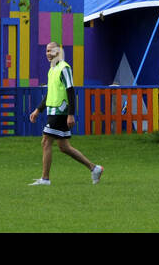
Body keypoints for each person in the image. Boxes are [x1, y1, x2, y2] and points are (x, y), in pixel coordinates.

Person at [27, 41, 102, 186]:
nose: (48, 54)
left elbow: (71, 91)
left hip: (61, 112)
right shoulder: (52, 70)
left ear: (58, 51)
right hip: (53, 111)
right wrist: (38, 110)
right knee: (64, 147)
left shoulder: (64, 68)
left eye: (51, 51)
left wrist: (71, 114)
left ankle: (45, 179)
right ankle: (95, 168)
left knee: (46, 141)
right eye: (47, 51)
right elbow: (50, 93)